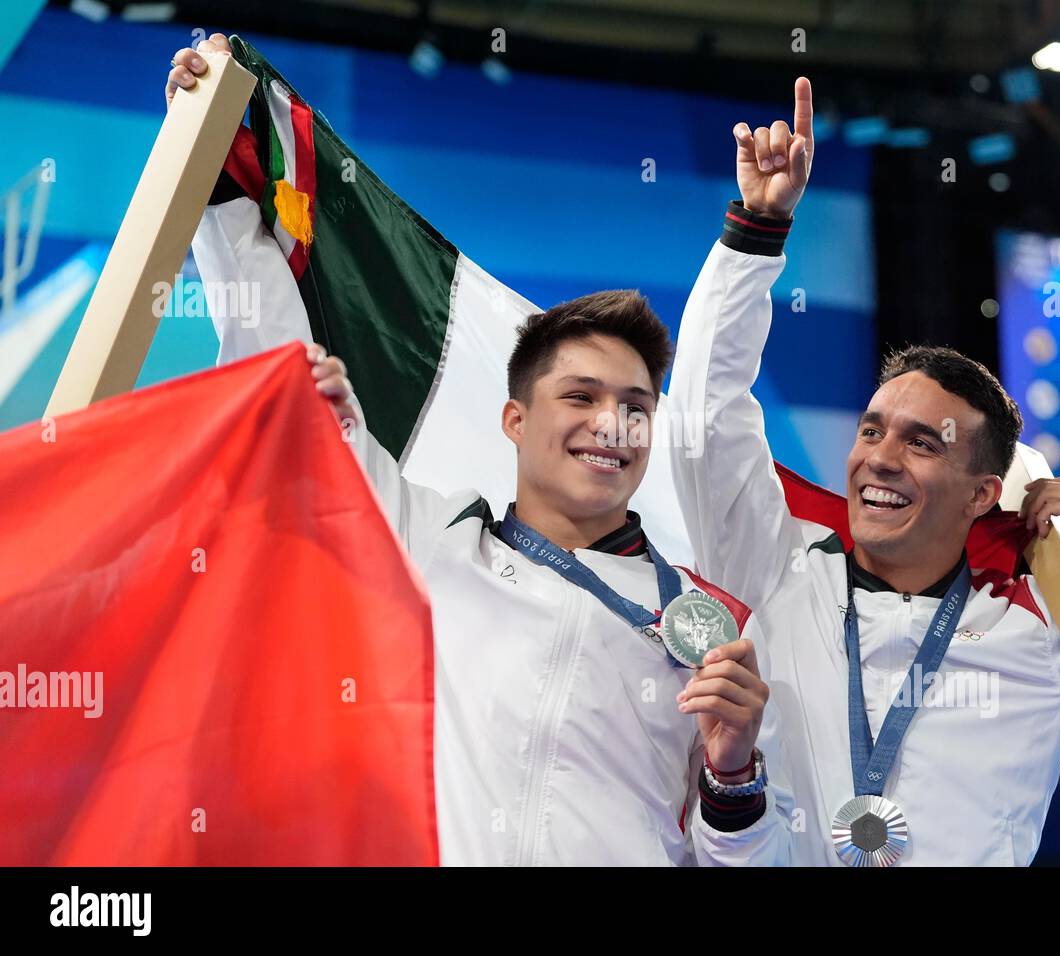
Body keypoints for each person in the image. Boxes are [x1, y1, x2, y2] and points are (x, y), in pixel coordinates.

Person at [167, 37, 793, 866]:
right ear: (514, 421)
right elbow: (282, 372)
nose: (611, 424)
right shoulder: (426, 544)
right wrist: (214, 166)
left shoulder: (711, 630)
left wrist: (733, 774)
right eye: (581, 397)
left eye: (636, 407)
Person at [667, 76, 1060, 866]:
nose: (880, 459)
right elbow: (700, 415)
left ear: (982, 494)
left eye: (923, 443)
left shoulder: (1056, 633)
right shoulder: (776, 568)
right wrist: (757, 230)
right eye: (872, 430)